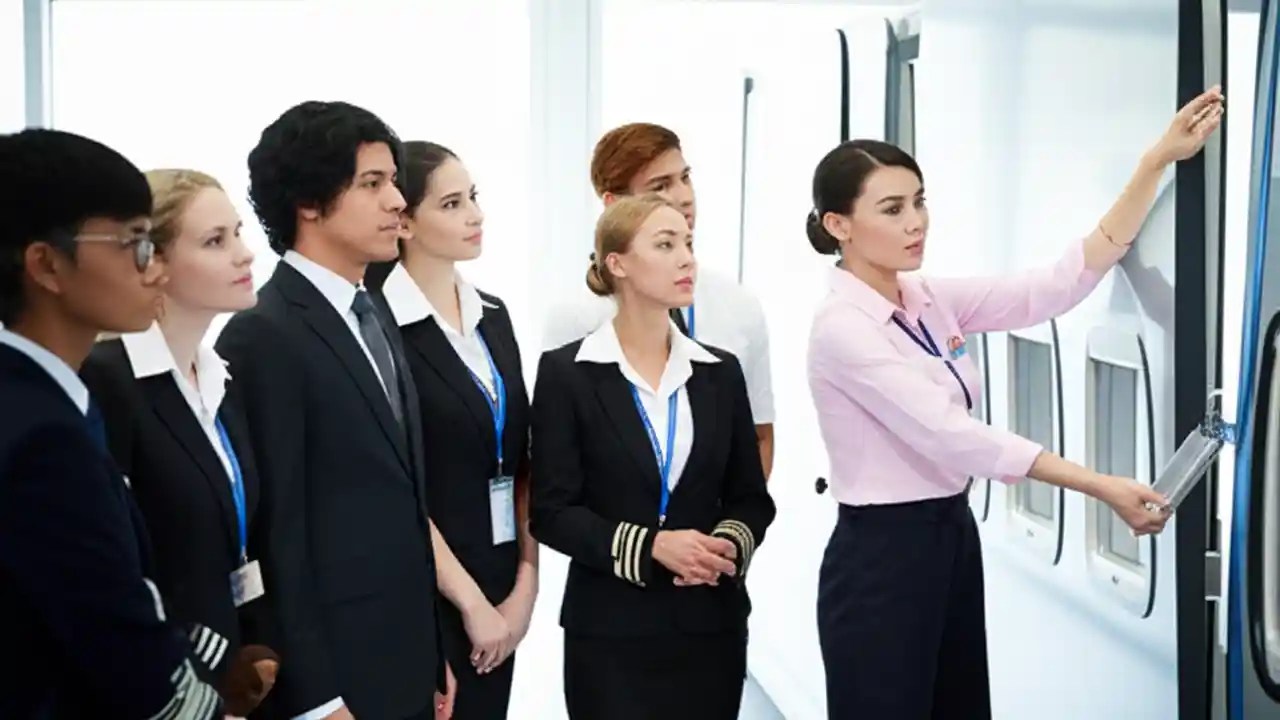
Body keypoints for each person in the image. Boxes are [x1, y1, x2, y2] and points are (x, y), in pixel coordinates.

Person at [806, 86, 1225, 719]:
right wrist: (1100, 485)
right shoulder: (842, 327)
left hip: (948, 534)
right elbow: (954, 437)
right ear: (839, 225)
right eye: (891, 209)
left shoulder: (923, 297)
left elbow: (1050, 290)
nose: (915, 221)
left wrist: (1154, 163)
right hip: (881, 560)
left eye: (920, 202)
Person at [215, 101, 448, 720]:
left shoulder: (373, 312)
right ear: (308, 203)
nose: (398, 201)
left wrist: (429, 653)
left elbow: (401, 502)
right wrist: (314, 697)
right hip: (334, 682)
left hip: (403, 660)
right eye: (373, 184)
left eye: (393, 182)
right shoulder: (261, 333)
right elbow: (276, 535)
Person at [0, 128, 224, 718]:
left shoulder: (52, 398)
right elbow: (112, 635)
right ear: (47, 265)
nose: (155, 270)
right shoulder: (39, 433)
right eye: (135, 243)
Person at [530, 193, 777, 719]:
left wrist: (725, 548)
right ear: (617, 263)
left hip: (711, 624)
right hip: (610, 633)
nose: (687, 258)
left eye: (688, 243)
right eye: (665, 244)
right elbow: (552, 513)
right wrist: (652, 547)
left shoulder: (719, 372)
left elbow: (752, 498)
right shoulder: (566, 373)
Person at [79, 169, 279, 718]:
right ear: (153, 263)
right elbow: (111, 575)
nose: (244, 254)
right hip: (155, 693)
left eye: (238, 233)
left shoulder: (220, 381)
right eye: (216, 241)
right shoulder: (106, 382)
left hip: (228, 684)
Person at [367, 141, 537, 719]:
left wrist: (525, 586)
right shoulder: (378, 326)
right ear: (406, 221)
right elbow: (396, 486)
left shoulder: (493, 312)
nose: (476, 214)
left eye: (475, 197)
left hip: (501, 585)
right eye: (453, 203)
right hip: (424, 593)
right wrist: (471, 603)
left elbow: (520, 459)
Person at [542, 122, 776, 478]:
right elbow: (557, 458)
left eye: (685, 177)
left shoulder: (737, 305)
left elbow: (759, 436)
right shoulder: (578, 316)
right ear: (614, 205)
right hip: (615, 528)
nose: (683, 196)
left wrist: (732, 531)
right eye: (661, 186)